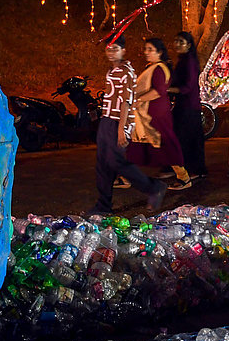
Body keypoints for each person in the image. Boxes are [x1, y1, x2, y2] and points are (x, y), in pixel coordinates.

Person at [88, 38, 167, 217]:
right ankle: (104, 204)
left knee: (117, 162)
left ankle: (154, 188)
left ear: (123, 50)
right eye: (108, 49)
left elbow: (126, 101)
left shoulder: (126, 72)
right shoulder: (112, 70)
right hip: (107, 120)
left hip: (118, 121)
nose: (111, 52)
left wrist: (121, 129)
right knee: (103, 163)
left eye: (115, 49)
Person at [124, 38, 191, 190]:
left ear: (159, 52)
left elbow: (158, 91)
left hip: (155, 113)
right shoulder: (155, 67)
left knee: (165, 143)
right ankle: (126, 176)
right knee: (137, 144)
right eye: (146, 49)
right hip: (149, 111)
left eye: (150, 49)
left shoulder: (159, 69)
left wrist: (137, 100)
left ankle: (184, 177)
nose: (146, 52)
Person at [168, 31, 207, 179]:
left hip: (189, 106)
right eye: (176, 41)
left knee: (188, 138)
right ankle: (187, 168)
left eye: (181, 41)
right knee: (187, 137)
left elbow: (189, 86)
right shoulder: (182, 60)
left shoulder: (189, 61)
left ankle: (193, 170)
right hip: (183, 105)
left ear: (189, 45)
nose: (177, 44)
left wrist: (169, 89)